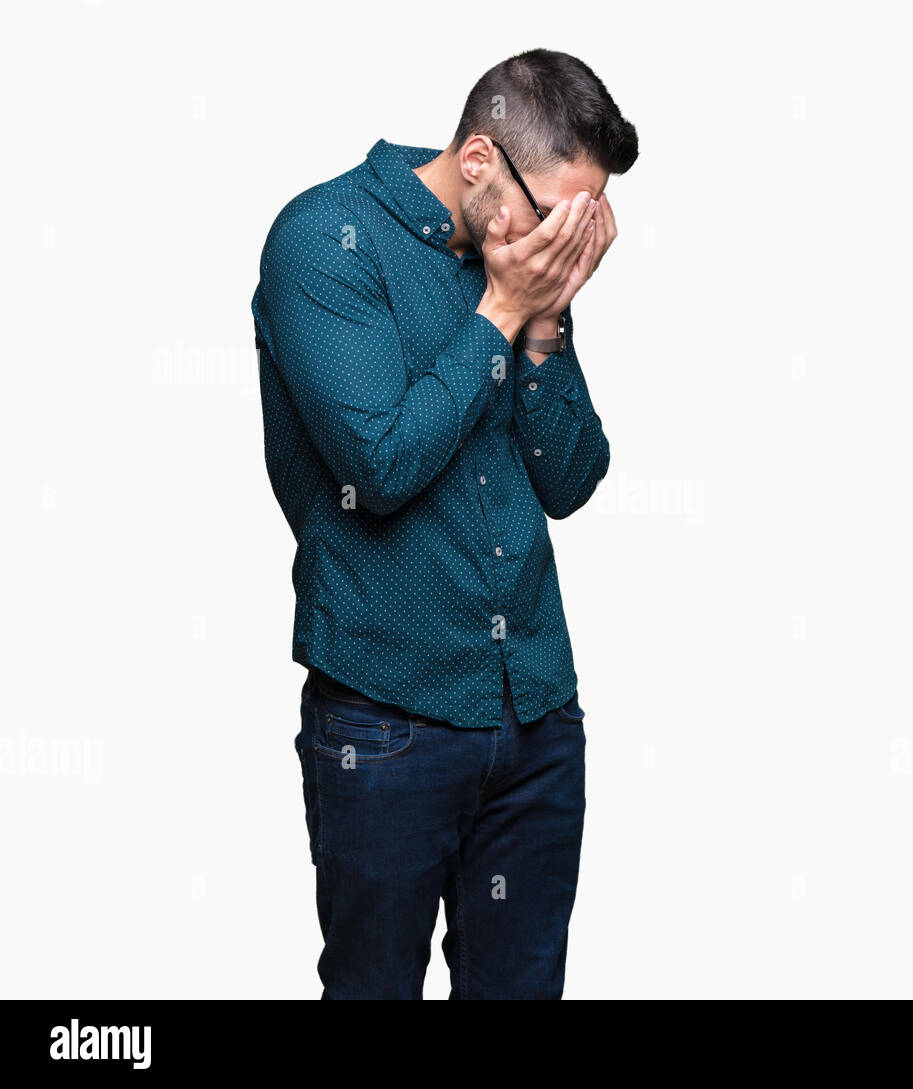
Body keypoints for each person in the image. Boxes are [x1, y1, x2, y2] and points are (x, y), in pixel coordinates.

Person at [250, 48, 638, 999]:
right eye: (555, 217)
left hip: (537, 710)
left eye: (587, 224)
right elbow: (377, 466)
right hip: (386, 719)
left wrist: (544, 327)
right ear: (477, 160)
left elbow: (575, 479)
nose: (563, 246)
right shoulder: (322, 239)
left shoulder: (521, 268)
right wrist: (503, 311)